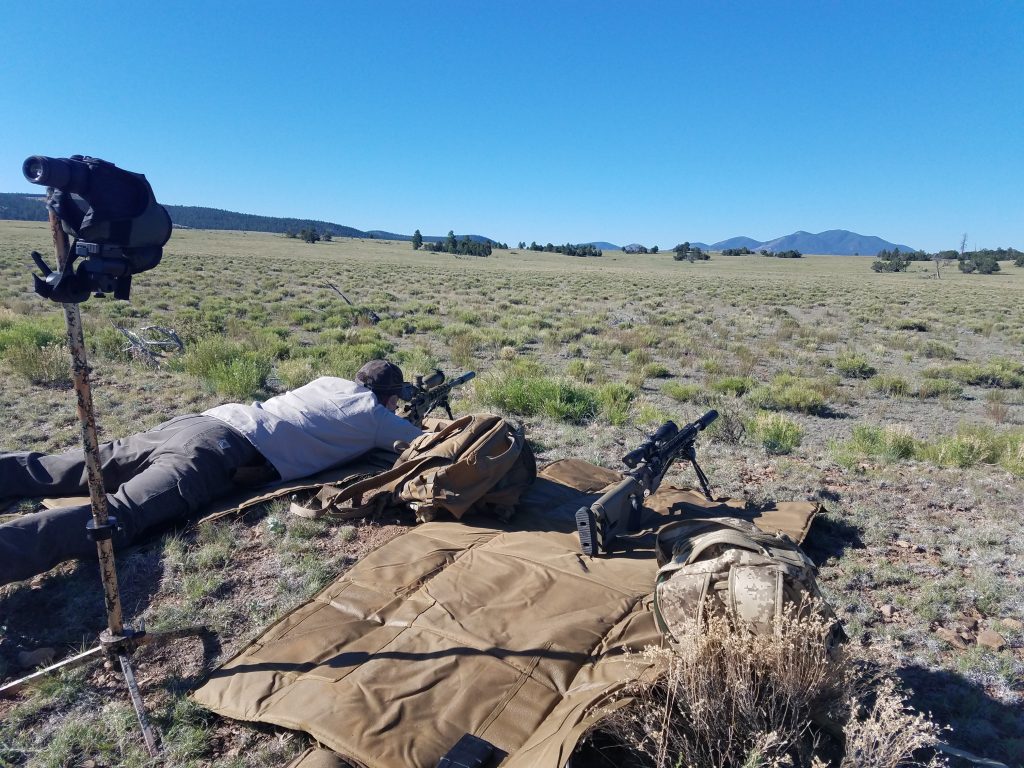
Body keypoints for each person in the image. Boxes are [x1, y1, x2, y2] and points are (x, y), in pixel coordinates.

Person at [0, 360, 424, 586]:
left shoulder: (326, 381)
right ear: (388, 397)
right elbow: (420, 441)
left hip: (199, 422)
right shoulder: (376, 417)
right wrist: (402, 415)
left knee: (63, 467)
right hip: (219, 451)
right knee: (120, 515)